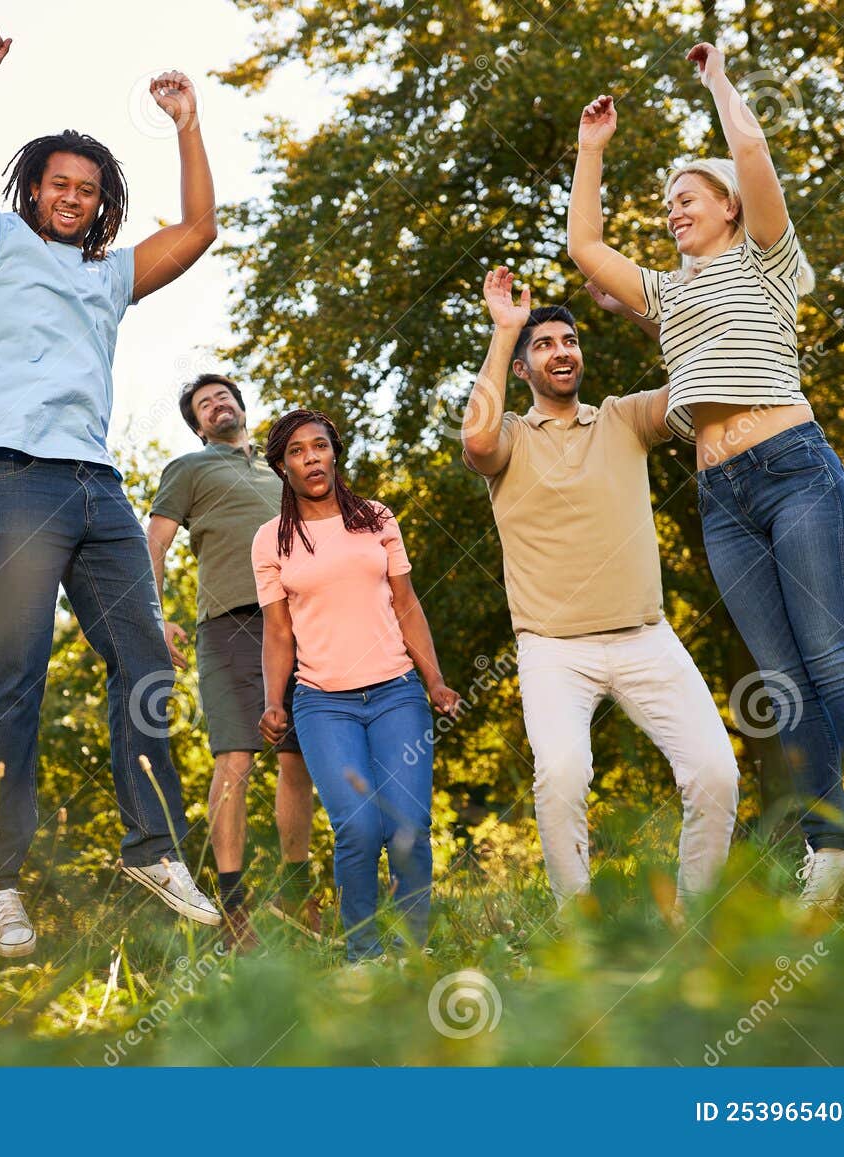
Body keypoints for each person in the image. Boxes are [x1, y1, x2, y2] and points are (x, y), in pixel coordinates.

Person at [566, 41, 844, 910]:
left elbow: (754, 154)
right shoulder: (667, 291)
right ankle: (830, 849)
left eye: (686, 198)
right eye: (667, 205)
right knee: (781, 679)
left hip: (793, 469)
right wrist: (592, 149)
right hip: (722, 498)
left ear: (727, 206)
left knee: (835, 658)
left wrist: (717, 82)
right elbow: (585, 245)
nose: (673, 211)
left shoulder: (767, 258)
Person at [0, 19, 222, 956]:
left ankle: (153, 847)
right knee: (15, 672)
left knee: (147, 665)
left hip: (98, 490)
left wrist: (186, 124)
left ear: (102, 202)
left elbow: (198, 230)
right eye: (61, 184)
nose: (74, 198)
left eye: (89, 189)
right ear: (35, 189)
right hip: (7, 479)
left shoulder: (111, 276)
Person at [461, 269, 740, 911]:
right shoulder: (509, 438)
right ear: (525, 368)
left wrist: (638, 310)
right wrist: (506, 331)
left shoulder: (623, 418)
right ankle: (578, 926)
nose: (562, 351)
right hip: (554, 651)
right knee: (561, 777)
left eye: (570, 339)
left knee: (716, 774)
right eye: (545, 345)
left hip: (646, 638)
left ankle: (694, 919)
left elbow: (705, 385)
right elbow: (475, 440)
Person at [253, 410, 462, 962]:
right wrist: (274, 703)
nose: (311, 458)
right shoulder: (271, 540)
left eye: (319, 446)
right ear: (282, 465)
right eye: (296, 451)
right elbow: (277, 632)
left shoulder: (376, 519)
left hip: (396, 693)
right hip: (323, 705)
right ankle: (363, 956)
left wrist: (434, 680)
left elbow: (407, 605)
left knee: (409, 826)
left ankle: (412, 948)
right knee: (361, 829)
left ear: (334, 452)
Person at [148, 375, 322, 948]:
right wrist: (156, 614)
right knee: (235, 759)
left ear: (242, 408)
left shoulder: (281, 470)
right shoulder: (191, 469)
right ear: (199, 425)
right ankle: (233, 907)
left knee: (298, 760)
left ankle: (297, 896)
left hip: (299, 624)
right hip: (228, 626)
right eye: (204, 403)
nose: (217, 404)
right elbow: (155, 542)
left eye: (224, 396)